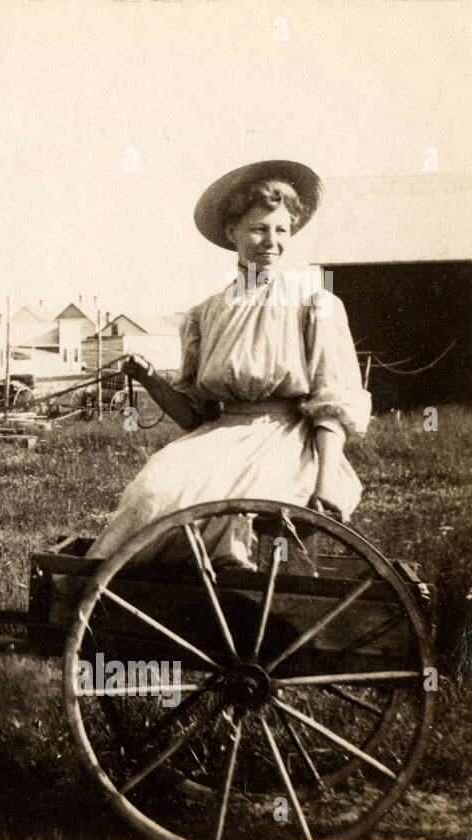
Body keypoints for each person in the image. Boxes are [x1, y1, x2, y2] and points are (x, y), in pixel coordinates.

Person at [87, 160, 371, 566]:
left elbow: (334, 398)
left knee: (231, 514)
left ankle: (228, 590)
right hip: (220, 437)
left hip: (285, 443)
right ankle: (105, 589)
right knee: (152, 491)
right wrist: (150, 378)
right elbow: (194, 418)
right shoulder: (207, 314)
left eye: (281, 230)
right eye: (258, 228)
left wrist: (326, 481)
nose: (270, 242)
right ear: (231, 232)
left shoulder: (316, 303)